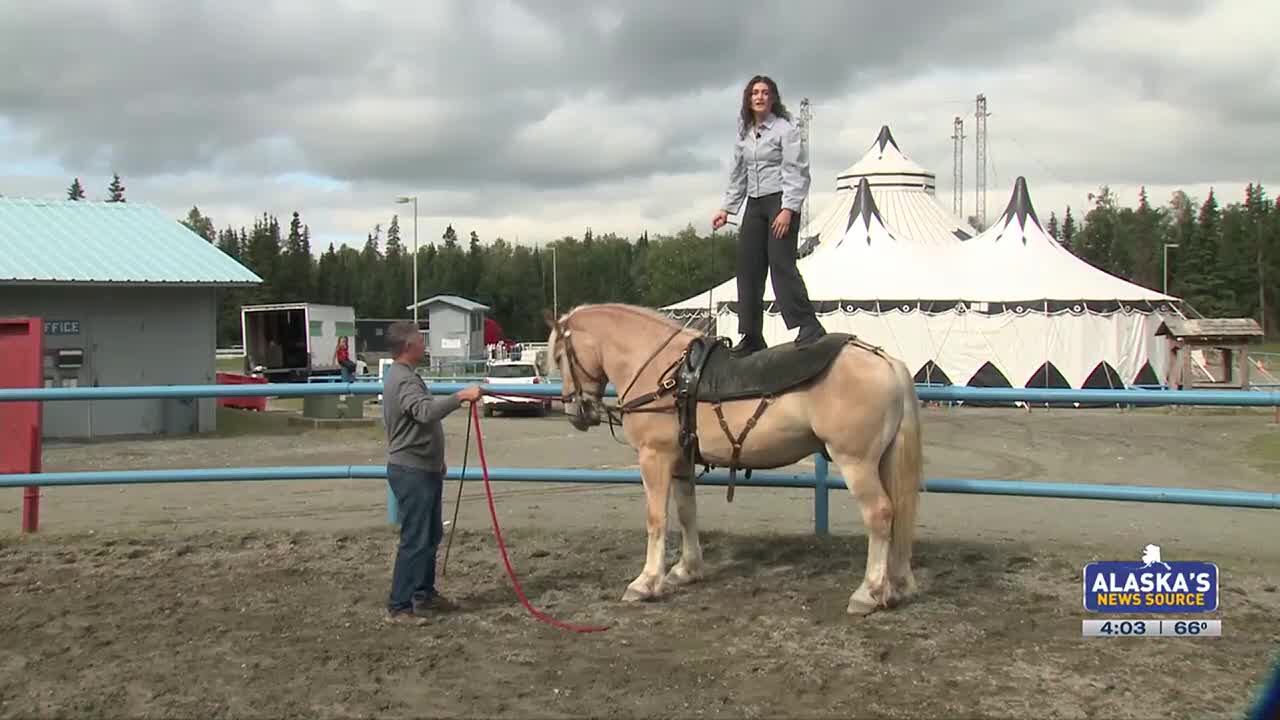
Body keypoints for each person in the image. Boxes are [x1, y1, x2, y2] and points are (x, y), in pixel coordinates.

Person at [712, 74, 825, 357]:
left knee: (780, 265)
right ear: (748, 100)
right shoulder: (745, 135)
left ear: (772, 98)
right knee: (748, 269)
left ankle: (808, 325)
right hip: (755, 203)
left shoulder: (785, 130)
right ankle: (751, 335)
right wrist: (727, 208)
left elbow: (797, 171)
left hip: (779, 201)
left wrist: (788, 208)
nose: (759, 97)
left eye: (764, 92)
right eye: (754, 93)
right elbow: (738, 175)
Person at [380, 320, 483, 624]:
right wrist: (460, 397)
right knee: (415, 537)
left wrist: (435, 461)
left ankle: (423, 594)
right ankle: (399, 606)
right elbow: (424, 413)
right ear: (408, 346)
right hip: (413, 470)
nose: (424, 345)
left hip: (420, 467)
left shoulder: (401, 376)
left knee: (429, 534)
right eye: (420, 341)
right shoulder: (406, 381)